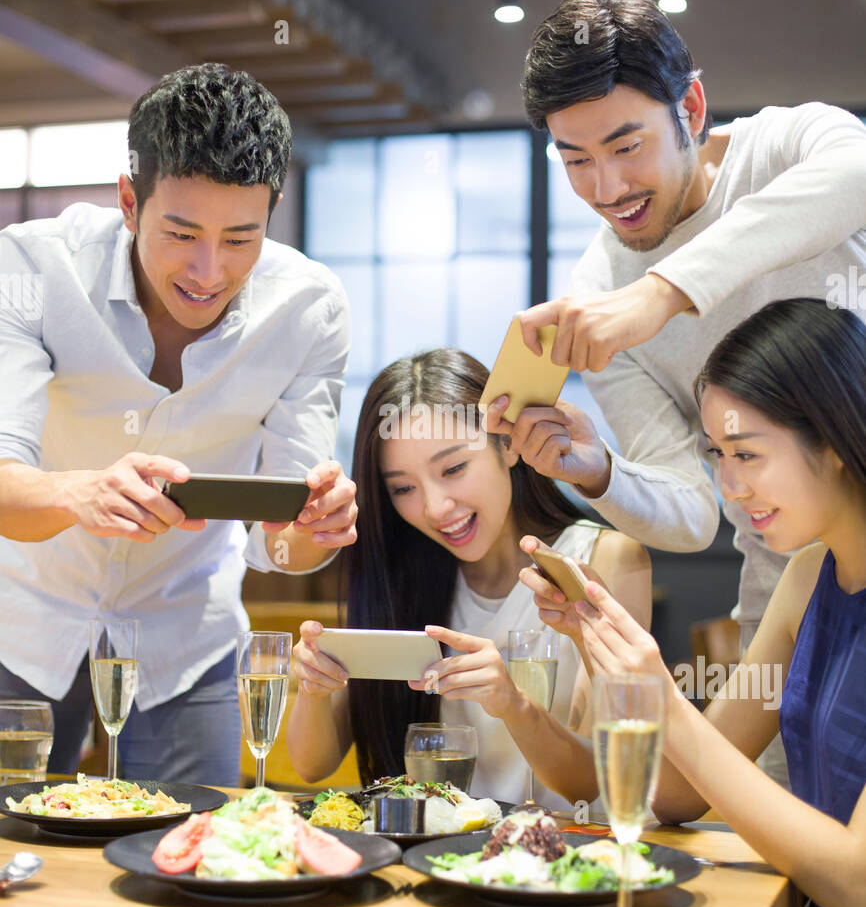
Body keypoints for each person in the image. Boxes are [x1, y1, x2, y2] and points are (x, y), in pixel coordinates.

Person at [490, 0, 866, 789]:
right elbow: (696, 513)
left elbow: (858, 173)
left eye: (628, 145)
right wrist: (596, 471)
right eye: (575, 159)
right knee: (776, 816)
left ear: (689, 105)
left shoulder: (788, 147)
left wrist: (662, 293)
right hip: (787, 578)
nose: (607, 187)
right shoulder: (599, 295)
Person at [521, 298, 866, 907]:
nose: (728, 485)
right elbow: (680, 795)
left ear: (836, 439)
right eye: (716, 454)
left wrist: (668, 702)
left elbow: (849, 880)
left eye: (747, 453)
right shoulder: (811, 578)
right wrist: (606, 647)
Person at [0, 63, 358, 787]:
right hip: (24, 623)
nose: (207, 270)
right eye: (183, 231)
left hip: (186, 639)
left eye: (240, 239)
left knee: (192, 868)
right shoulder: (33, 268)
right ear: (130, 201)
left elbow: (279, 545)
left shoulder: (310, 309)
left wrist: (312, 529)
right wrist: (80, 495)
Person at [288, 348, 650, 810]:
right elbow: (312, 764)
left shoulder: (605, 561)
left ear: (508, 445)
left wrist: (511, 703)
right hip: (440, 856)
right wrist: (315, 688)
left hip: (569, 859)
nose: (436, 507)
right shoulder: (403, 575)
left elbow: (590, 783)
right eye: (403, 488)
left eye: (454, 469)